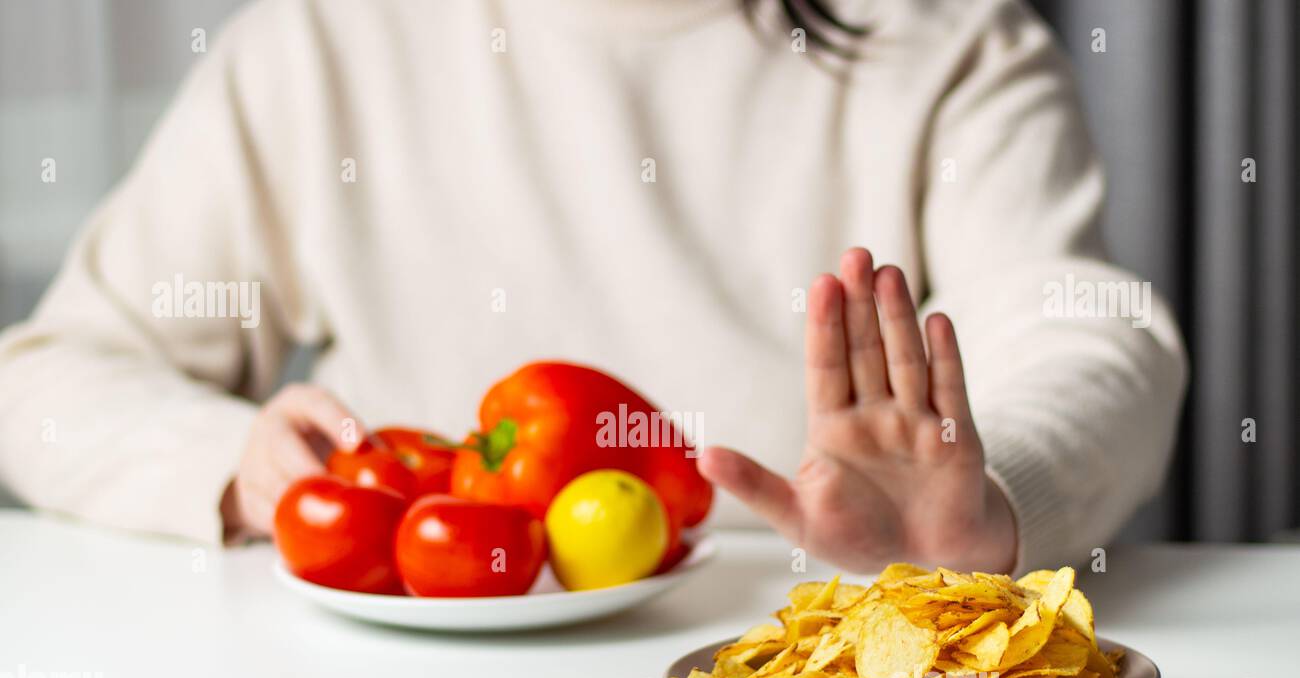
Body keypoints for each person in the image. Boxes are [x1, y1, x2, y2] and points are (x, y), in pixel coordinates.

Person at [0, 0, 1185, 574]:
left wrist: (993, 499)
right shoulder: (329, 36)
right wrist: (239, 469)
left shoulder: (944, 38)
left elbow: (1091, 327)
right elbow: (43, 379)